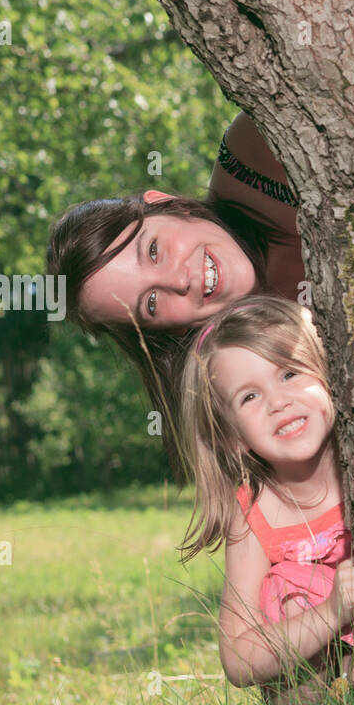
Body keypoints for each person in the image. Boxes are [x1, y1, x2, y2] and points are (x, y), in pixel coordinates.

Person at [45, 113, 303, 478]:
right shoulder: (267, 387)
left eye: (152, 250)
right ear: (173, 330)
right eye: (151, 303)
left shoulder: (259, 149)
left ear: (167, 203)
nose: (179, 280)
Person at [176, 295, 354, 705]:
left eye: (289, 373)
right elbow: (238, 659)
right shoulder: (252, 518)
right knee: (288, 592)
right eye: (249, 397)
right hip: (312, 700)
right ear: (234, 439)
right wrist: (329, 614)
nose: (278, 402)